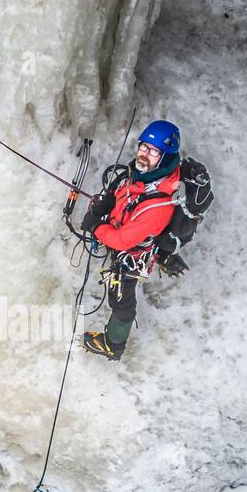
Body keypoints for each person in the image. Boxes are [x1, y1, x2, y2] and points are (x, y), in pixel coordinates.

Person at [80, 120, 214, 360]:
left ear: (165, 157)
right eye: (143, 147)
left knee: (121, 302)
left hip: (132, 254)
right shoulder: (146, 173)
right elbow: (126, 194)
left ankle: (113, 345)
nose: (144, 154)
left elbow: (121, 241)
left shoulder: (158, 206)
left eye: (153, 151)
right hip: (131, 229)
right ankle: (165, 256)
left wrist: (95, 226)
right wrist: (109, 202)